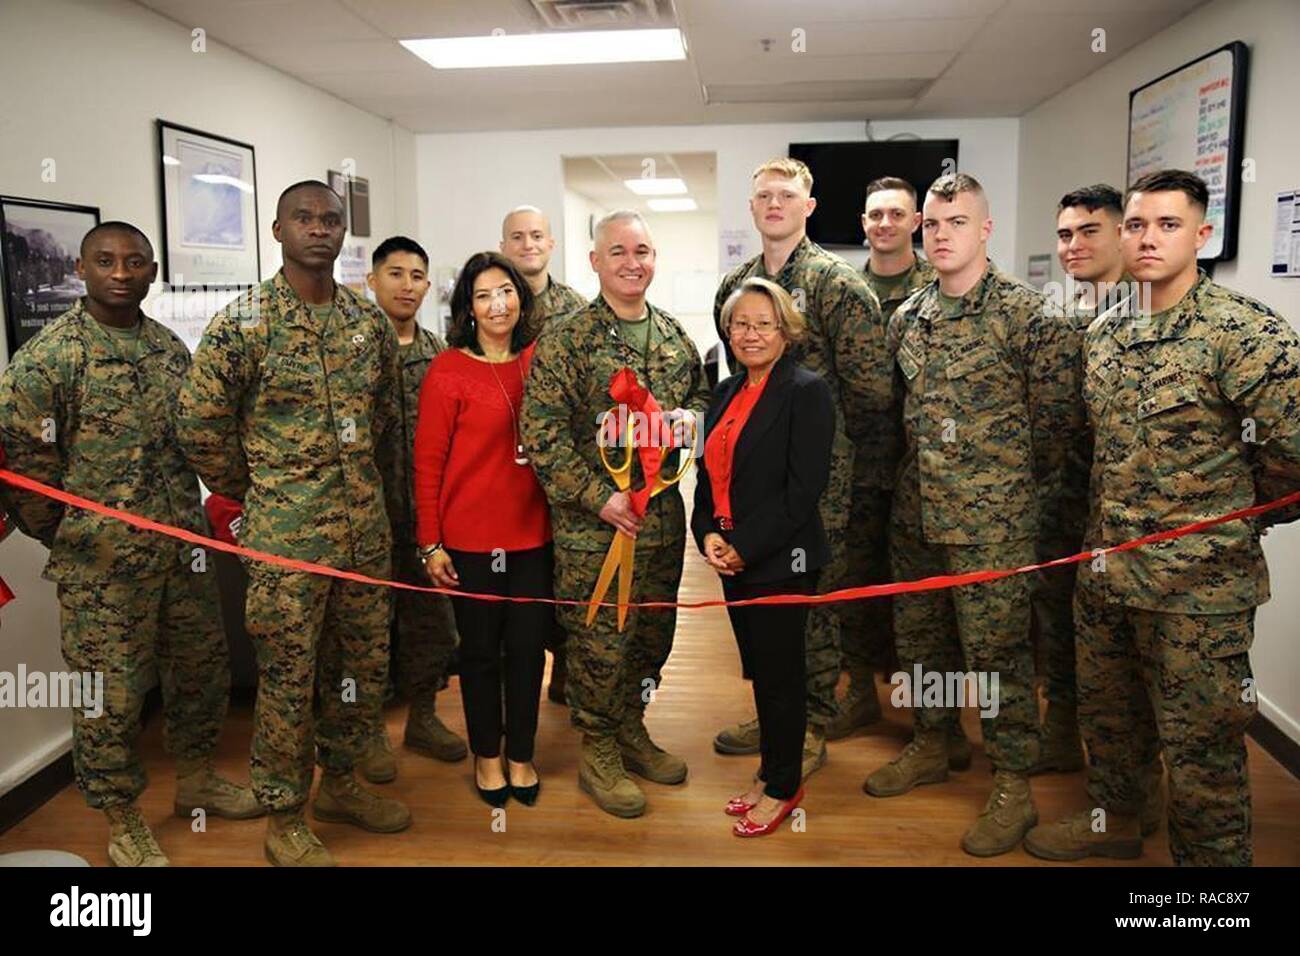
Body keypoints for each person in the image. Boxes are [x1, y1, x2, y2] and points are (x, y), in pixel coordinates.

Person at [1025, 170, 1300, 866]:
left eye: (1168, 225)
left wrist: (1224, 520)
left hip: (1198, 592)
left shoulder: (1243, 333)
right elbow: (1096, 451)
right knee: (1111, 722)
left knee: (1201, 751)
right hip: (1108, 574)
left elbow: (1293, 461)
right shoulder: (1106, 332)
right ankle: (1117, 821)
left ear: (1202, 235)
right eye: (1138, 225)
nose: (1149, 239)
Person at [0, 221, 260, 867]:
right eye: (106, 261)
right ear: (81, 270)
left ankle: (196, 780)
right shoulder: (46, 359)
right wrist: (74, 536)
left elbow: (198, 439)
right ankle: (122, 818)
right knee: (108, 696)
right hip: (103, 568)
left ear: (151, 272)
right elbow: (28, 472)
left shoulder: (171, 349)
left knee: (202, 671)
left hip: (182, 550)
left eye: (135, 262)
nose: (122, 272)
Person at [177, 181, 410, 867]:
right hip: (286, 542)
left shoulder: (367, 324)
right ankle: (284, 814)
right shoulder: (243, 323)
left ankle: (341, 784)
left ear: (344, 234)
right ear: (277, 230)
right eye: (304, 219)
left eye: (331, 220)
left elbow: (385, 422)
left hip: (364, 537)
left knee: (360, 669)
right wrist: (259, 492)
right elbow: (199, 426)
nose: (319, 230)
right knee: (288, 678)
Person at [869, 173, 1085, 857]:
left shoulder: (1030, 317)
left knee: (996, 658)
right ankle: (934, 741)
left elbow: (1055, 430)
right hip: (918, 517)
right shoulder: (907, 315)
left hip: (993, 524)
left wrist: (1001, 492)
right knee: (922, 643)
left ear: (985, 229)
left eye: (956, 222)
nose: (941, 235)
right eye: (932, 224)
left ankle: (1013, 784)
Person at [711, 157, 901, 780]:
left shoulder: (837, 284)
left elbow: (873, 393)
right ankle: (776, 715)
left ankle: (811, 722)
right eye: (763, 194)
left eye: (786, 195)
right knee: (756, 604)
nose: (774, 204)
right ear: (751, 206)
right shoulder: (736, 286)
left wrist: (843, 471)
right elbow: (737, 380)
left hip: (819, 482)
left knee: (809, 610)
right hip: (751, 480)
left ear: (808, 206)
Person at [520, 210, 709, 818]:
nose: (634, 262)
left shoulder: (675, 335)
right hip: (595, 529)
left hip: (658, 522)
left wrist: (689, 421)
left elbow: (701, 403)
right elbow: (541, 433)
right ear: (596, 260)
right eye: (619, 251)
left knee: (653, 637)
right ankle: (598, 748)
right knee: (601, 644)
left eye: (644, 250)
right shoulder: (568, 339)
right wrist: (595, 496)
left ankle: (632, 727)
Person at [693, 277, 834, 838]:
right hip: (730, 556)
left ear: (785, 330)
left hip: (781, 560)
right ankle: (770, 772)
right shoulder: (725, 392)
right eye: (740, 325)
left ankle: (783, 786)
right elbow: (707, 475)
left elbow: (804, 490)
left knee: (781, 678)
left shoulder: (806, 391)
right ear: (728, 332)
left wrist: (745, 546)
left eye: (763, 324)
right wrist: (708, 534)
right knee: (761, 673)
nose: (750, 334)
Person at [414, 251, 553, 807]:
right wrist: (430, 542)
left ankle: (521, 753)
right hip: (470, 539)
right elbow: (428, 461)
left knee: (527, 650)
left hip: (532, 535)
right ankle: (486, 754)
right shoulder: (449, 369)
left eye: (506, 291)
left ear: (521, 297)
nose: (498, 304)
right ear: (468, 308)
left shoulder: (541, 359)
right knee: (479, 652)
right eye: (483, 295)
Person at [829, 176, 939, 741]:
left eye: (898, 214)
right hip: (859, 469)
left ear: (916, 222)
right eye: (876, 215)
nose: (886, 224)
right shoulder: (847, 290)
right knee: (853, 586)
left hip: (925, 474)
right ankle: (861, 695)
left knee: (922, 600)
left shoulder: (938, 286)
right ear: (864, 223)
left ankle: (931, 723)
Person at [356, 236, 467, 783]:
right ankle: (369, 732)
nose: (406, 285)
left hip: (425, 518)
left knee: (431, 625)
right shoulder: (352, 352)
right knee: (369, 631)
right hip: (363, 519)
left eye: (417, 275)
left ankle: (423, 717)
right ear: (371, 281)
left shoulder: (442, 358)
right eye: (394, 274)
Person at [1029, 185, 1128, 775]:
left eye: (1089, 231)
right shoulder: (1066, 317)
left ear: (1122, 234)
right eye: (1065, 234)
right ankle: (1061, 735)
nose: (1074, 245)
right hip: (1062, 507)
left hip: (1124, 520)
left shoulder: (1142, 314)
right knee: (1061, 630)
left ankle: (1126, 788)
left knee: (1120, 659)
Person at [498, 204, 586, 704]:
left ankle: (570, 665)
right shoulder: (494, 300)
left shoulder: (575, 307)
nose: (528, 244)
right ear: (504, 245)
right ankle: (521, 675)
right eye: (518, 237)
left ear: (551, 244)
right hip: (503, 461)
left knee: (564, 567)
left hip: (562, 460)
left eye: (537, 235)